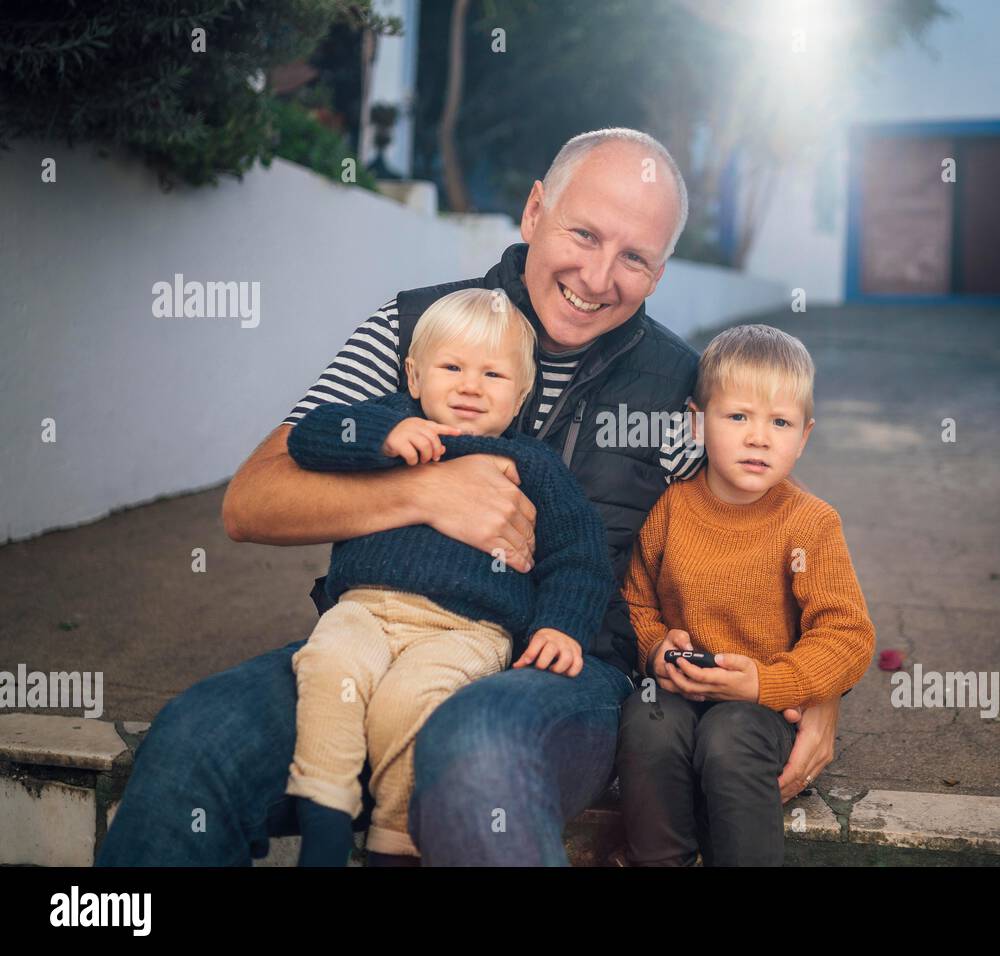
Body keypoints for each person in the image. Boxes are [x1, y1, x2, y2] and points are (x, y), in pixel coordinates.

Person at [97, 127, 844, 867]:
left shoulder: (680, 388)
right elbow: (252, 498)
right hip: (376, 640)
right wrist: (422, 493)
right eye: (583, 233)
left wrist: (814, 688)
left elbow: (775, 538)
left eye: (635, 258)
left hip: (567, 677)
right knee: (196, 735)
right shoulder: (414, 328)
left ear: (661, 270)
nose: (597, 275)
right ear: (533, 212)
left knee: (475, 741)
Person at [284, 288, 613, 865]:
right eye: (452, 367)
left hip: (465, 628)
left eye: (492, 374)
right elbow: (307, 436)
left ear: (521, 397)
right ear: (414, 375)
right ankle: (324, 819)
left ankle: (394, 842)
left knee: (412, 700)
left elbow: (579, 555)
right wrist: (377, 436)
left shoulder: (533, 465)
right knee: (327, 665)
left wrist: (562, 626)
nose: (469, 385)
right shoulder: (390, 423)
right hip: (361, 609)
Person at [616, 324, 876, 866]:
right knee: (647, 722)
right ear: (697, 421)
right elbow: (636, 600)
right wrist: (657, 649)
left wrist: (772, 682)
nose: (759, 438)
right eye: (738, 417)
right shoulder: (670, 509)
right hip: (682, 689)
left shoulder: (810, 523)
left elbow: (847, 634)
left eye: (780, 422)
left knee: (729, 738)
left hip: (763, 708)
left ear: (803, 437)